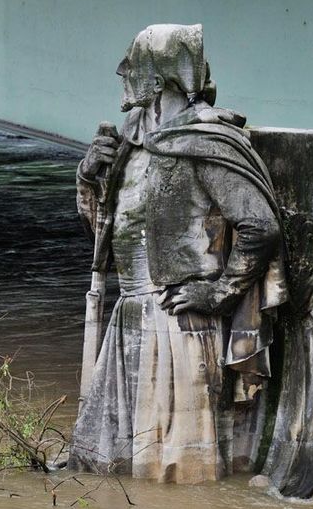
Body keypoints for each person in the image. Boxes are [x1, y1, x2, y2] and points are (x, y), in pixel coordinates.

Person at [69, 24, 287, 483]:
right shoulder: (130, 141)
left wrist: (219, 294)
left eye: (132, 63)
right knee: (105, 470)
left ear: (159, 78)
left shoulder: (203, 140)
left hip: (177, 325)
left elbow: (260, 226)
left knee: (175, 475)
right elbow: (106, 237)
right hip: (128, 315)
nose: (122, 71)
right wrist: (90, 177)